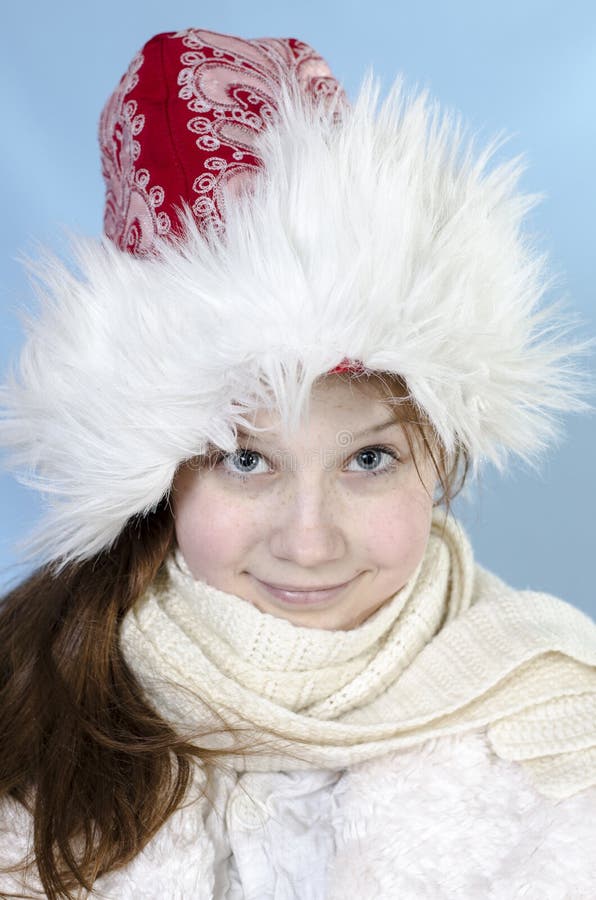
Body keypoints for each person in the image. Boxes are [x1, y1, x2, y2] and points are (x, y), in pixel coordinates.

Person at [0, 26, 595, 900]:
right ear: (157, 478)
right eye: (246, 459)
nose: (309, 543)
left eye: (370, 458)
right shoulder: (29, 714)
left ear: (440, 458)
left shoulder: (565, 727)